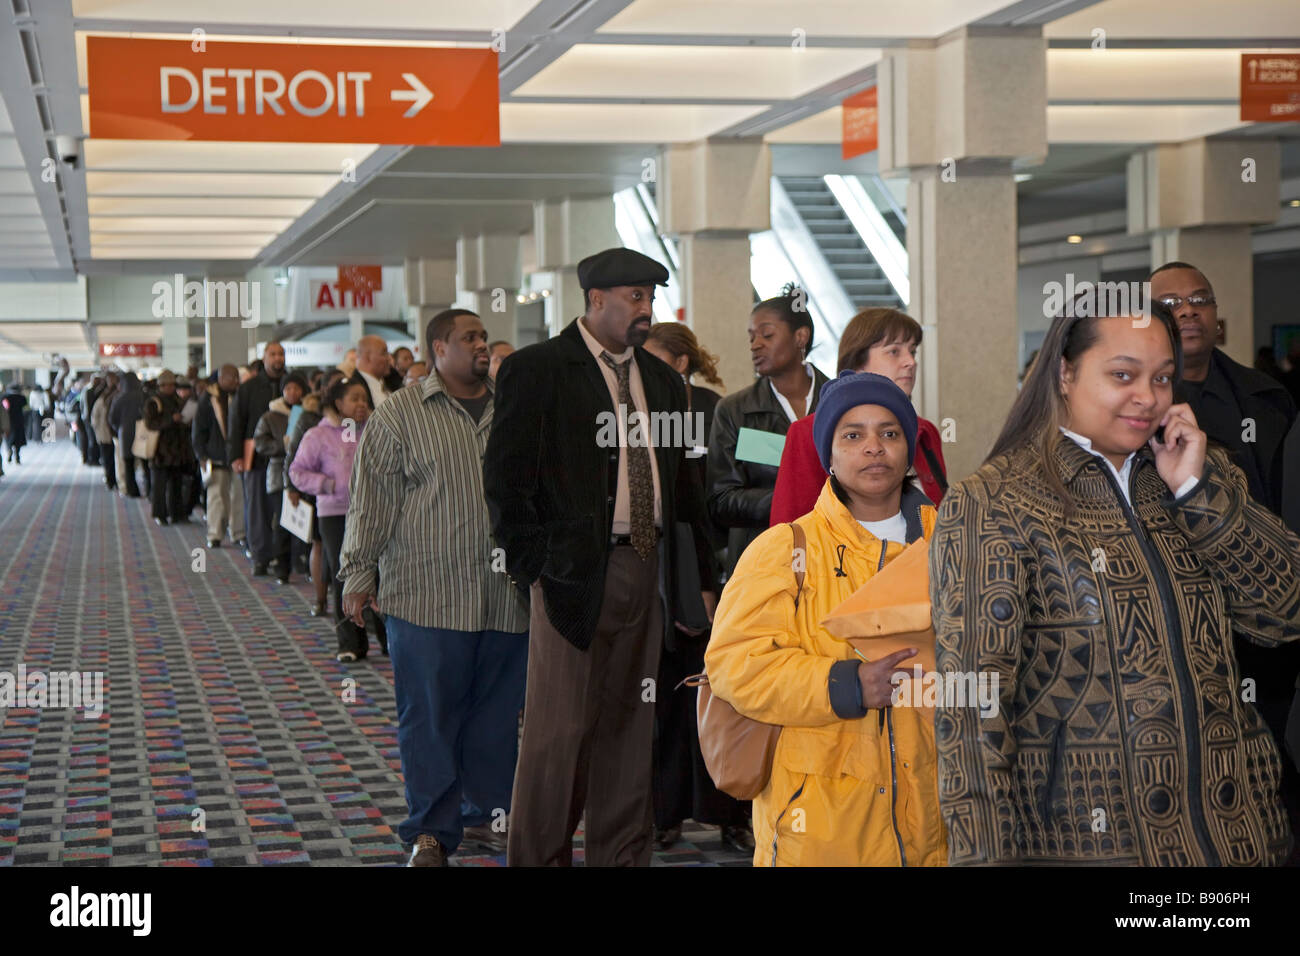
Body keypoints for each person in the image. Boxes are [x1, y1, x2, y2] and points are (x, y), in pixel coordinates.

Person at [931, 298, 1300, 865]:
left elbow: (1285, 610)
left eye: (1162, 378)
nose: (1148, 397)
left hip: (1238, 840)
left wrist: (1198, 495)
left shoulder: (1198, 475)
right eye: (1122, 375)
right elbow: (972, 709)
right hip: (1090, 844)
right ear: (1065, 372)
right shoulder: (994, 503)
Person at [484, 247, 718, 867]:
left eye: (650, 297)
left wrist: (700, 579)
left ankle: (620, 856)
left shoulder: (665, 382)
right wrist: (535, 564)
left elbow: (687, 494)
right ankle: (540, 857)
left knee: (630, 728)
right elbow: (505, 483)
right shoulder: (540, 370)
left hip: (647, 569)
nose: (647, 310)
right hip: (571, 573)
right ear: (595, 301)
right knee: (557, 734)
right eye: (635, 297)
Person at [706, 372, 947, 866]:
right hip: (819, 821)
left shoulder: (951, 542)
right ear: (829, 456)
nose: (874, 447)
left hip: (933, 816)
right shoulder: (785, 548)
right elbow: (735, 665)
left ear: (908, 447)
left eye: (889, 433)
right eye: (853, 435)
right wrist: (847, 684)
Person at [341, 309, 529, 866]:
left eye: (483, 338)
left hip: (504, 595)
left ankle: (488, 812)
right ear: (439, 347)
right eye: (468, 338)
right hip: (426, 595)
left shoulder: (512, 409)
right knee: (429, 717)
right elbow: (372, 499)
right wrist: (358, 573)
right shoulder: (399, 414)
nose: (481, 345)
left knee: (496, 718)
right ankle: (430, 830)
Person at [1150, 260, 1300, 847]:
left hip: (1270, 607)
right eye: (1171, 304)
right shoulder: (1145, 415)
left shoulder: (1269, 399)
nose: (1188, 311)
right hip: (1196, 622)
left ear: (1218, 318)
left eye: (1200, 300)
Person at [642, 322, 751, 852]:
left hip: (725, 570)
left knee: (726, 699)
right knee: (665, 701)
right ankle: (667, 814)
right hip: (664, 573)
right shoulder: (639, 412)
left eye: (654, 357)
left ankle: (731, 813)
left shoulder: (721, 412)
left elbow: (777, 461)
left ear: (680, 363)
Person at [770, 307, 947, 525]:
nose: (910, 361)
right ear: (857, 361)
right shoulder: (807, 433)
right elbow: (792, 532)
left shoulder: (926, 432)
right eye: (894, 351)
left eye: (913, 351)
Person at [708, 284, 830, 577]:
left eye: (767, 334)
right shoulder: (735, 411)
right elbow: (721, 499)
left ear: (800, 337)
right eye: (751, 337)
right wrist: (792, 499)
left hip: (831, 557)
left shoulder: (839, 403)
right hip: (762, 560)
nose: (755, 345)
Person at [292, 378, 372, 656]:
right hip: (334, 512)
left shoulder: (374, 430)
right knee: (344, 578)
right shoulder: (318, 435)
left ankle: (386, 641)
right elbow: (297, 471)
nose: (361, 404)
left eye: (364, 398)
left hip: (371, 512)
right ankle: (350, 643)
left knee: (377, 575)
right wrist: (327, 485)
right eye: (355, 399)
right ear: (339, 403)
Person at [228, 342, 286, 577]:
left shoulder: (292, 385)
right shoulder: (249, 387)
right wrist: (235, 456)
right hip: (255, 456)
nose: (277, 358)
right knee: (257, 508)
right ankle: (260, 556)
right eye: (273, 354)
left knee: (284, 509)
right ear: (264, 358)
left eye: (281, 354)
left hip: (287, 458)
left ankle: (286, 556)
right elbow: (236, 422)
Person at [253, 372, 308, 584]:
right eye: (288, 389)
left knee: (302, 520)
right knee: (283, 520)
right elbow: (260, 443)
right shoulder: (270, 415)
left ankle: (300, 560)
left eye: (296, 388)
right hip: (277, 474)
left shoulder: (307, 412)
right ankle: (281, 565)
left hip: (303, 473)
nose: (292, 393)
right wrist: (283, 445)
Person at [192, 364, 246, 550]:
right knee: (217, 496)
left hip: (237, 456)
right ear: (221, 378)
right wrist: (202, 454)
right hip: (215, 455)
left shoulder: (241, 396)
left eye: (236, 377)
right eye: (231, 377)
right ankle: (215, 534)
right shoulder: (208, 398)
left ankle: (238, 532)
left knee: (238, 496)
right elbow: (198, 430)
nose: (235, 380)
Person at [285, 384, 326, 613]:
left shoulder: (351, 419)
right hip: (316, 491)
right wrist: (291, 486)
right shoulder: (308, 418)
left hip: (347, 493)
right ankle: (320, 598)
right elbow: (293, 454)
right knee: (318, 543)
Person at [142, 370, 195, 526]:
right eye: (170, 385)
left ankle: (177, 513)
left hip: (177, 450)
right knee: (159, 485)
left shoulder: (177, 400)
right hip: (160, 451)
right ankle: (160, 514)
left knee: (176, 484)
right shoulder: (153, 402)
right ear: (162, 386)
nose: (172, 388)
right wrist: (171, 420)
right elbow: (150, 424)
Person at [108, 372, 145, 497]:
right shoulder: (143, 396)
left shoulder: (120, 398)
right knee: (144, 464)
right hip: (143, 434)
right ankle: (149, 489)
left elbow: (112, 418)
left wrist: (120, 427)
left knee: (128, 465)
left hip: (125, 434)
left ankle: (131, 490)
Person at [351, 335, 402, 410]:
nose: (389, 358)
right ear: (367, 357)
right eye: (384, 353)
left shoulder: (392, 381)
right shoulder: (353, 388)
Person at [91, 372, 120, 490]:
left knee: (116, 458)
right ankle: (110, 479)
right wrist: (97, 430)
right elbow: (95, 416)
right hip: (105, 432)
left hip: (116, 433)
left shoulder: (118, 396)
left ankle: (114, 480)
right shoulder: (102, 396)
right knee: (108, 458)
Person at [3, 380, 27, 465]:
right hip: (19, 421)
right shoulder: (21, 397)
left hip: (8, 421)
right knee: (18, 440)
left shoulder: (5, 397)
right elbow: (25, 405)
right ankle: (17, 457)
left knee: (8, 438)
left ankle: (9, 450)